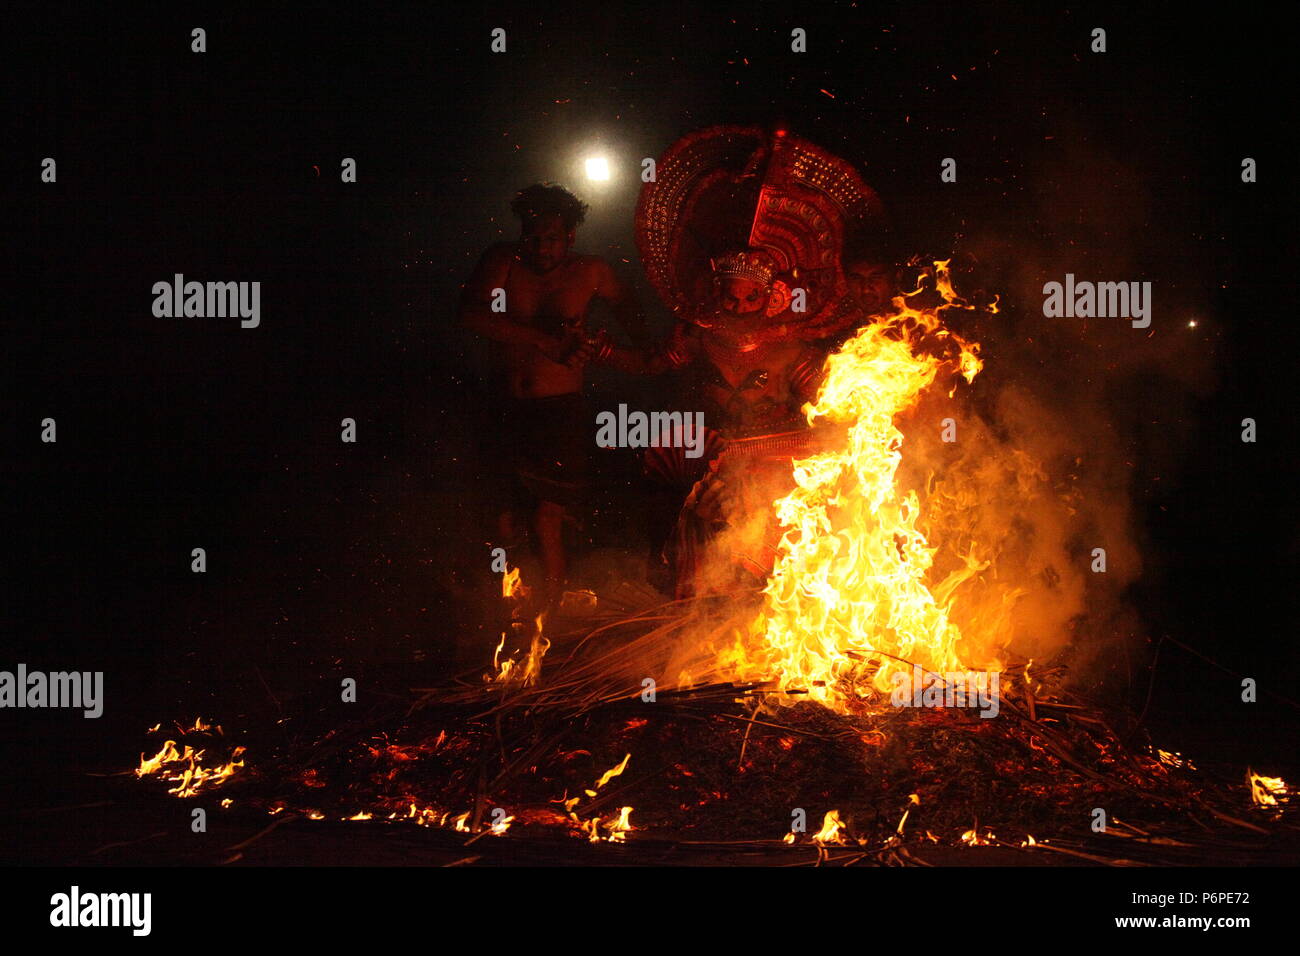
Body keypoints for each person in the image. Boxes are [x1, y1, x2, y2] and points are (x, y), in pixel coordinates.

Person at [458, 183, 641, 607]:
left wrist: (612, 349)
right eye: (533, 237)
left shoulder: (592, 271)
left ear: (570, 236)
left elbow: (633, 315)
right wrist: (544, 340)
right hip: (504, 404)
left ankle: (550, 617)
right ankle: (501, 612)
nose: (541, 248)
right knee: (502, 519)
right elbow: (470, 314)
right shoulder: (504, 261)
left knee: (547, 517)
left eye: (552, 239)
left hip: (559, 410)